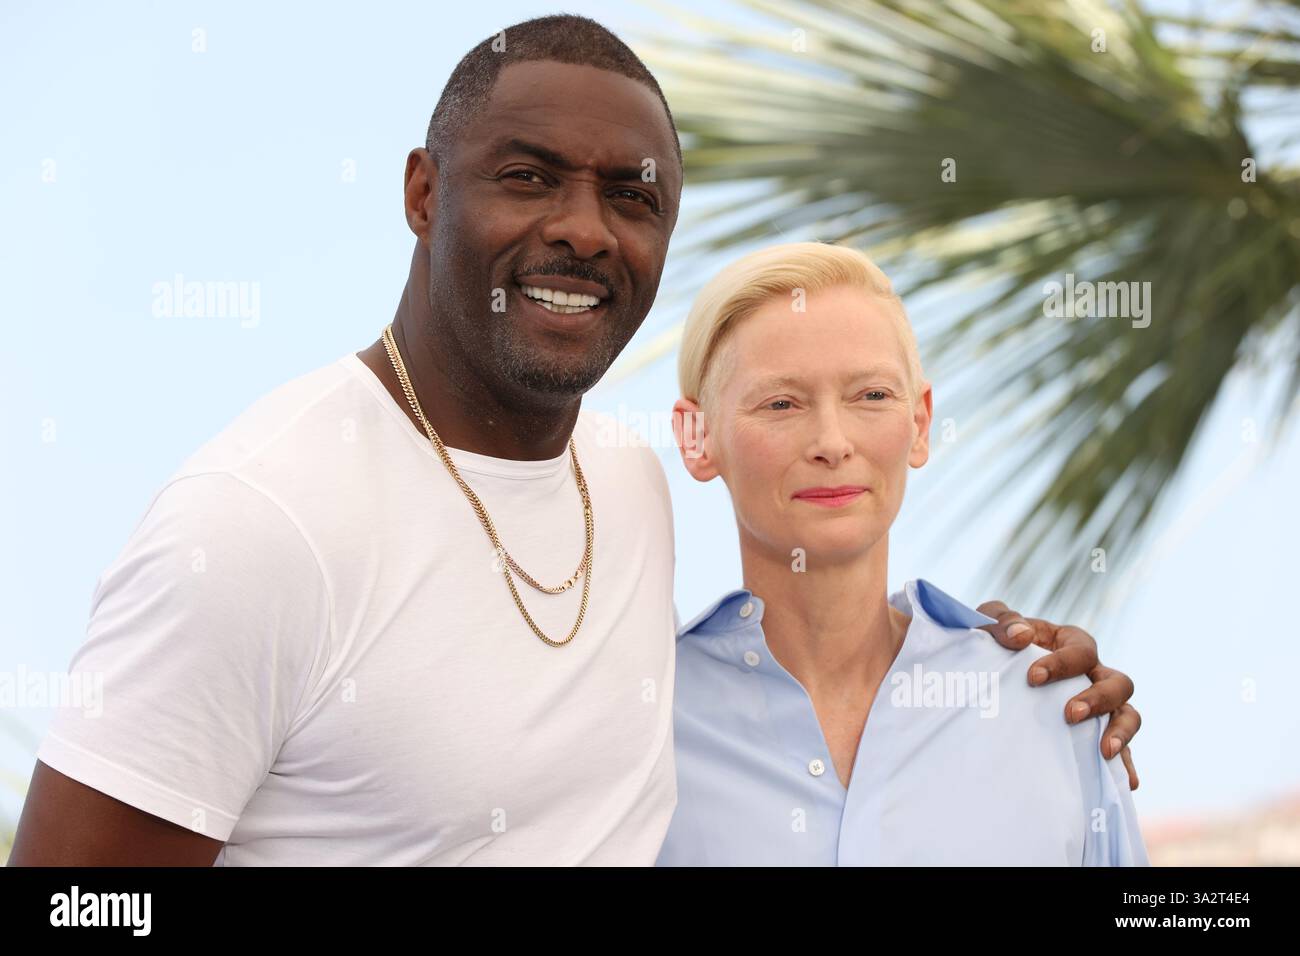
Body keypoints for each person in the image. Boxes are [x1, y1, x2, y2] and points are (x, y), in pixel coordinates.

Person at [10, 16, 1140, 867]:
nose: (582, 230)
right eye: (526, 177)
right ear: (420, 191)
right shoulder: (259, 520)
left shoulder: (625, 481)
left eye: (630, 198)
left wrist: (995, 656)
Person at [657, 242, 1147, 865]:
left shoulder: (1051, 708)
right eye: (781, 403)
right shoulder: (638, 725)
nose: (832, 443)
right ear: (697, 438)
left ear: (919, 425)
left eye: (871, 396)